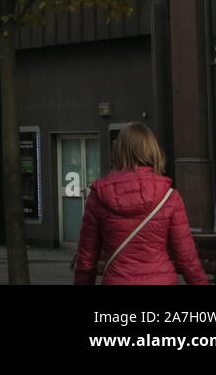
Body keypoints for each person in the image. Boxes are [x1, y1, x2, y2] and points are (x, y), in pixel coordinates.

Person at [73, 121, 207, 285]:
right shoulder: (169, 197)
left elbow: (86, 259)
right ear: (152, 150)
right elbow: (186, 257)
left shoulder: (98, 196)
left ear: (118, 152)